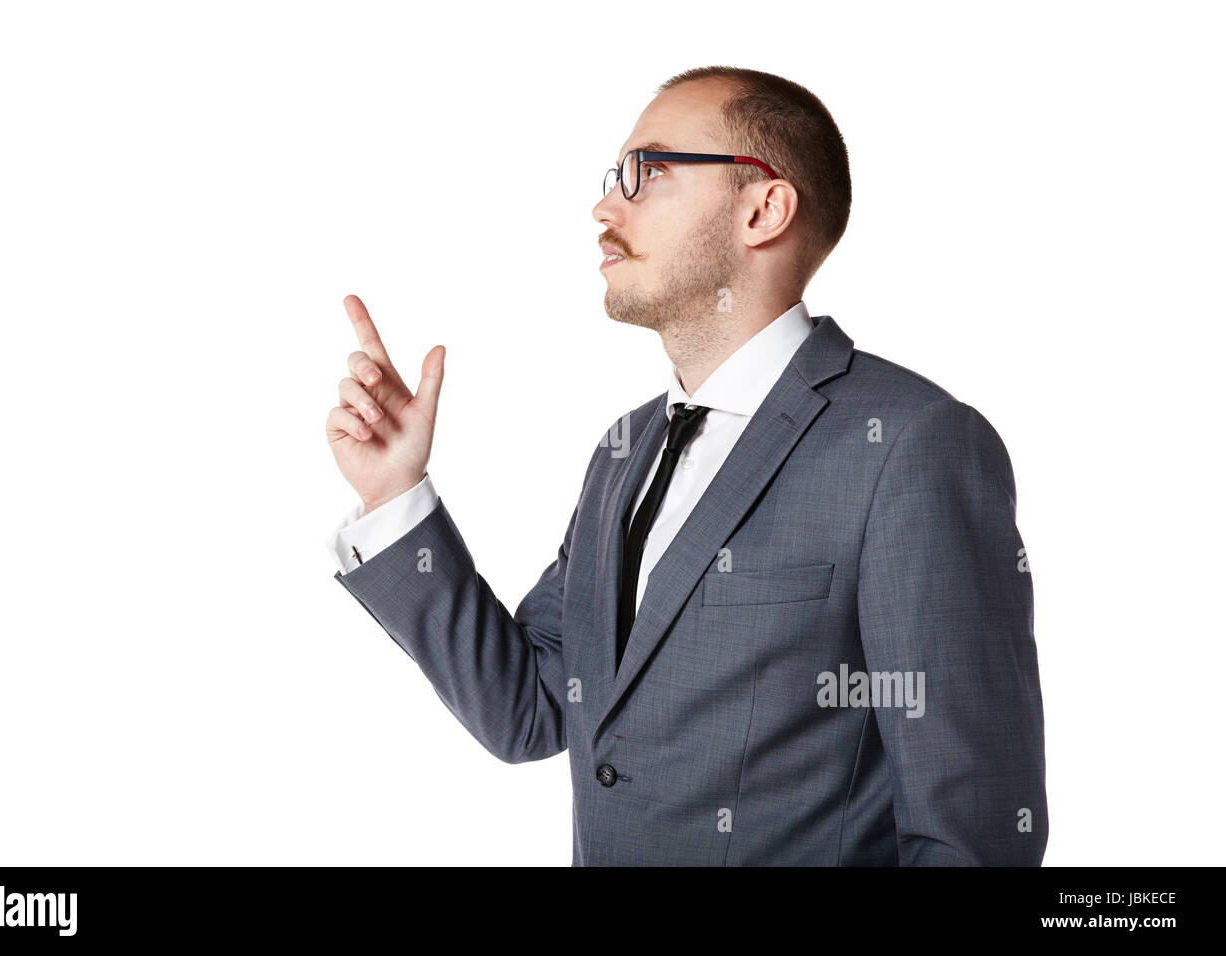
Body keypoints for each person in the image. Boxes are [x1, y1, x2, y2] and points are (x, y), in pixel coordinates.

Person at [323, 65, 1048, 866]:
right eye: (614, 177)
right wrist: (395, 494)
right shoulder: (623, 453)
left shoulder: (911, 446)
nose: (605, 207)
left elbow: (971, 838)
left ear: (762, 208)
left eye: (649, 171)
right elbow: (531, 708)